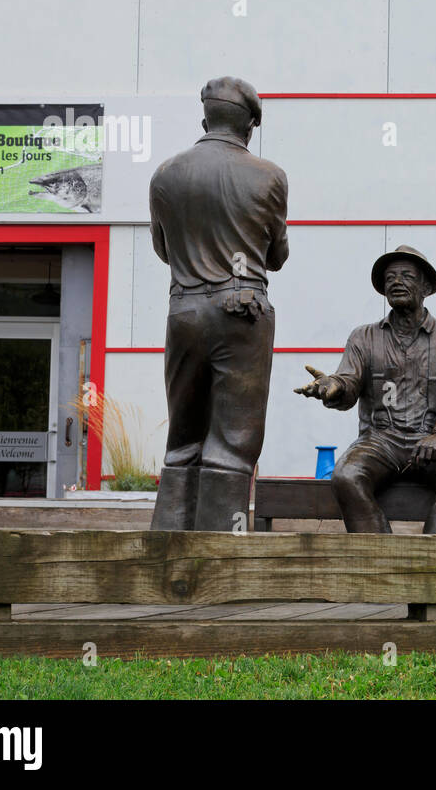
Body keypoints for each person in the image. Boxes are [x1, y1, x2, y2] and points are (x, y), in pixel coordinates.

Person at [148, 76, 289, 532]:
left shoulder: (166, 173)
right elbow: (277, 257)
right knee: (232, 443)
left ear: (204, 118)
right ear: (250, 126)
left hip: (184, 311)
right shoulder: (269, 176)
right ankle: (220, 559)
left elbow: (164, 250)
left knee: (182, 440)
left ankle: (167, 557)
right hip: (241, 312)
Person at [294, 246, 436, 533]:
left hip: (431, 442)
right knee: (346, 475)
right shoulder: (364, 337)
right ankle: (380, 556)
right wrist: (333, 386)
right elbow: (348, 380)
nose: (396, 281)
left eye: (407, 276)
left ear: (426, 287)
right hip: (381, 442)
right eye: (390, 277)